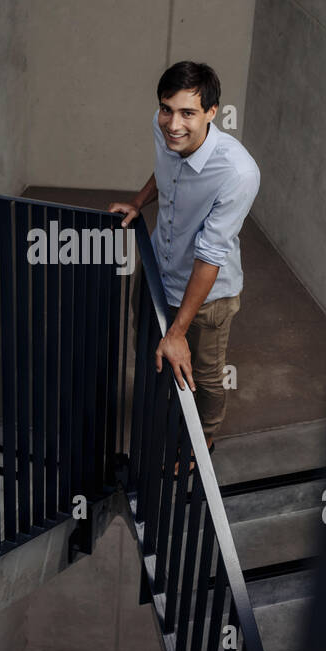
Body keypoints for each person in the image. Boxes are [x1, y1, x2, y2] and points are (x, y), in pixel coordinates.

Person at [108, 61, 260, 470]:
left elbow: (210, 255)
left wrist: (177, 330)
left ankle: (204, 438)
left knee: (206, 376)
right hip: (159, 269)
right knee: (151, 347)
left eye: (188, 113)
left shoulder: (237, 172)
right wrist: (139, 203)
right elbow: (164, 173)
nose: (173, 124)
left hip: (208, 297)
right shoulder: (166, 130)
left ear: (212, 112)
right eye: (166, 109)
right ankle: (160, 404)